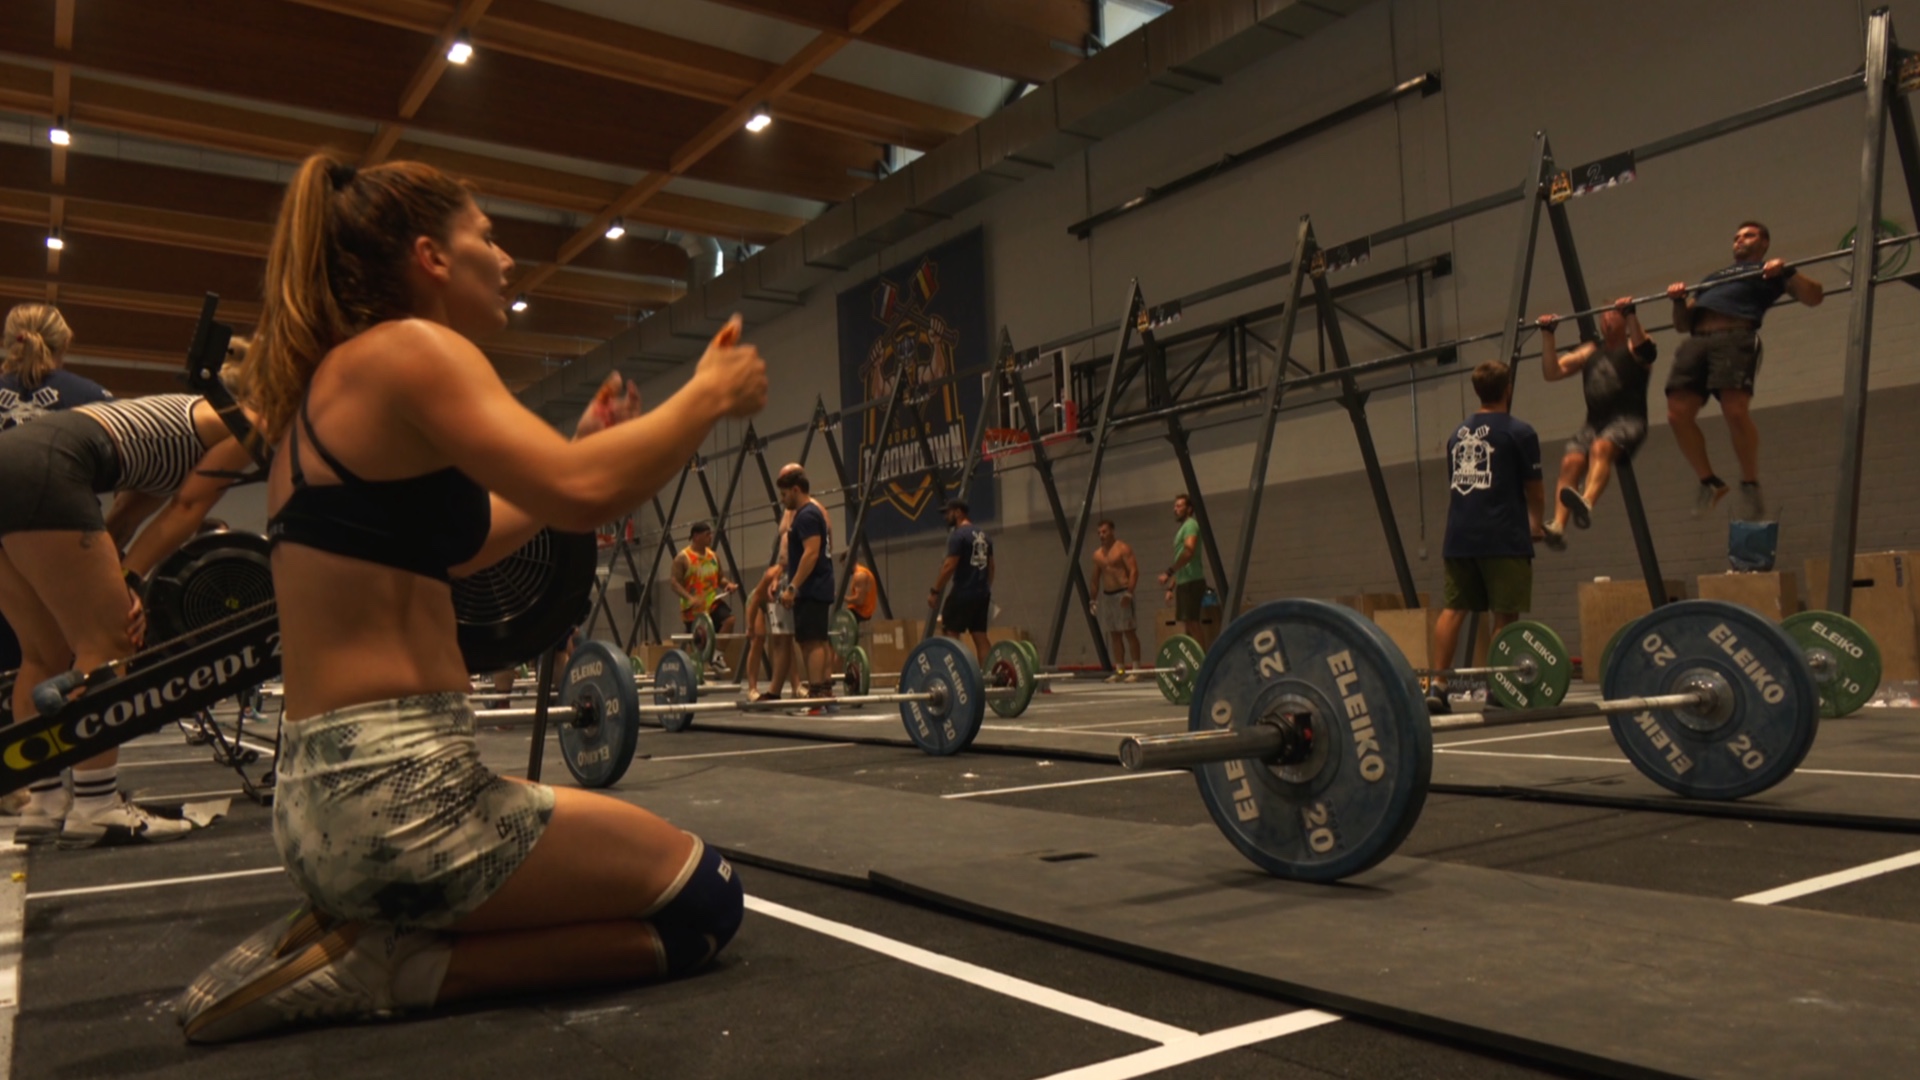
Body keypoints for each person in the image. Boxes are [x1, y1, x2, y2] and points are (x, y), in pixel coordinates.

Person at [176, 155, 766, 1043]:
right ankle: (396, 965)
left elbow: (464, 546)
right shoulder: (412, 349)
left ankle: (377, 921)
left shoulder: (324, 395)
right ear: (432, 256)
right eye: (487, 237)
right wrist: (706, 396)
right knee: (703, 902)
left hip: (322, 806)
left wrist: (577, 448)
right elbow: (580, 493)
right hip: (404, 803)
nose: (506, 259)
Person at [0, 364, 264, 845]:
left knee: (43, 653)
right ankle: (96, 806)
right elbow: (188, 508)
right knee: (109, 643)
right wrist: (129, 582)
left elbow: (121, 522)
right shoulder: (246, 421)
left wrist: (119, 576)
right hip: (44, 469)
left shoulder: (170, 432)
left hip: (13, 462)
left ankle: (45, 801)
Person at [1665, 221, 1824, 520]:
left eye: (1748, 235)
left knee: (1735, 412)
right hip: (1697, 342)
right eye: (1736, 237)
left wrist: (1788, 271)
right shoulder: (1712, 278)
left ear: (1764, 243)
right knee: (1676, 414)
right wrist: (1678, 301)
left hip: (1735, 337)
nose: (1739, 240)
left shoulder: (1769, 271)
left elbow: (1814, 297)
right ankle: (1709, 482)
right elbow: (1682, 324)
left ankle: (1750, 483)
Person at [0, 304, 110, 705]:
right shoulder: (91, 396)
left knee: (31, 657)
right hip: (57, 535)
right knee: (84, 652)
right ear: (64, 344)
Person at [1429, 361, 1544, 713]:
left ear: (1478, 391)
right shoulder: (1520, 432)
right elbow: (1534, 489)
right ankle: (1497, 688)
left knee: (1454, 610)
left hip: (1459, 538)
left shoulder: (1456, 436)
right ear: (1508, 388)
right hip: (1503, 537)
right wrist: (1536, 524)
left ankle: (1438, 686)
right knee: (1504, 615)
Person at [1536, 298, 1656, 549]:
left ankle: (1587, 501)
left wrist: (1631, 314)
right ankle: (1558, 526)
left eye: (1613, 314)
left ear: (1624, 320)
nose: (1606, 319)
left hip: (1628, 420)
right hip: (1594, 423)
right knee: (1570, 462)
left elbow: (1647, 351)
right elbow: (1552, 372)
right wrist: (1548, 336)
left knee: (1600, 447)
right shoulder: (1590, 351)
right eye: (1603, 315)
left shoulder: (1636, 345)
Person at [775, 466, 835, 707]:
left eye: (784, 494)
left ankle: (817, 695)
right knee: (817, 640)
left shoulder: (807, 515)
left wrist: (792, 587)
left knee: (812, 642)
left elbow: (811, 554)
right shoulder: (810, 513)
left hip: (812, 587)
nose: (782, 499)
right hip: (817, 586)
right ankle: (823, 693)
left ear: (795, 490)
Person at [929, 499, 992, 665]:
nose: (945, 517)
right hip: (982, 594)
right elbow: (991, 567)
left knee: (951, 633)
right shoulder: (984, 536)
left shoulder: (958, 536)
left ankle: (958, 673)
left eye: (948, 512)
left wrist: (935, 591)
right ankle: (989, 675)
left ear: (958, 512)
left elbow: (949, 566)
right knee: (980, 636)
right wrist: (985, 589)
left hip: (963, 592)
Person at [670, 521, 736, 674]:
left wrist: (728, 584)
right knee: (698, 647)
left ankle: (717, 656)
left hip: (712, 603)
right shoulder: (682, 558)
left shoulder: (713, 556)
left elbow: (720, 578)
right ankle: (693, 672)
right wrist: (689, 598)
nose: (710, 537)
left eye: (710, 534)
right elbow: (674, 583)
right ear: (696, 536)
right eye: (707, 535)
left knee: (730, 620)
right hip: (693, 610)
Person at [1089, 519, 1142, 681]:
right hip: (1108, 596)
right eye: (1099, 533)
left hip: (1123, 593)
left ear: (1112, 531)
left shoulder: (1122, 548)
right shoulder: (1097, 555)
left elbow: (1134, 571)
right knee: (1115, 635)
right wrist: (1093, 600)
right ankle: (1120, 671)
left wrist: (1129, 593)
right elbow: (1095, 579)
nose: (1101, 535)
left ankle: (1136, 671)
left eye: (1104, 532)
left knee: (1129, 632)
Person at [1157, 494, 1205, 641]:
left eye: (1179, 506)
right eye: (1175, 506)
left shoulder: (1190, 525)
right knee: (1187, 624)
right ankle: (1193, 654)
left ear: (1189, 509)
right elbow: (1181, 561)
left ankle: (1202, 655)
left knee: (1192, 623)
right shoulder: (1183, 528)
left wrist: (1168, 572)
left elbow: (1189, 552)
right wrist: (1171, 587)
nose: (1175, 509)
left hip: (1192, 581)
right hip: (1184, 582)